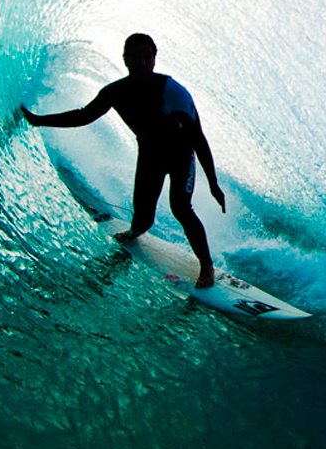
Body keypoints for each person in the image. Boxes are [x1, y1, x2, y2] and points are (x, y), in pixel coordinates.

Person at [22, 33, 226, 288]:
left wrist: (213, 183)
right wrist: (40, 120)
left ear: (154, 59)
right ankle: (135, 232)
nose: (141, 62)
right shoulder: (116, 92)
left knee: (181, 208)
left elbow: (198, 137)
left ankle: (206, 265)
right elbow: (84, 116)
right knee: (142, 220)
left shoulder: (172, 91)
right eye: (135, 57)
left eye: (146, 57)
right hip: (150, 156)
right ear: (125, 59)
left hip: (180, 156)